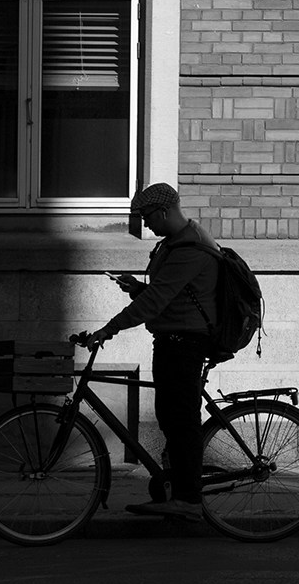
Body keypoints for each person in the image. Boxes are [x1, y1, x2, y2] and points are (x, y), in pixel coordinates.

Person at [93, 182, 222, 515]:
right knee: (171, 419)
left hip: (185, 345)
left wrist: (110, 328)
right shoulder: (177, 243)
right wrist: (137, 287)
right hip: (171, 342)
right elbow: (167, 296)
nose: (145, 224)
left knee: (181, 422)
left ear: (163, 211)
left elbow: (156, 302)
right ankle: (175, 489)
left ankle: (189, 500)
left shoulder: (190, 248)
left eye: (147, 216)